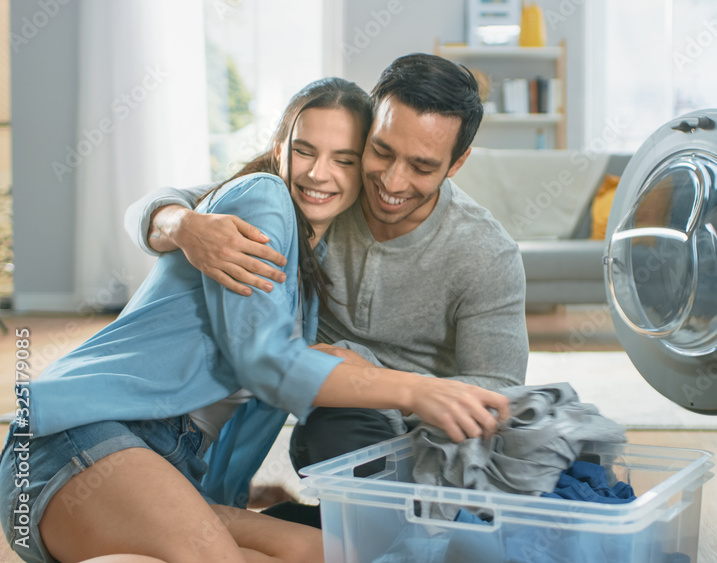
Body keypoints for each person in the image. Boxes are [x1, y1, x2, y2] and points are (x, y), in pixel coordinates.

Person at [0, 77, 509, 563]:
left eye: (344, 159)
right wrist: (415, 390)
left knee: (322, 554)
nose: (318, 173)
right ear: (279, 145)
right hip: (81, 437)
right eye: (305, 150)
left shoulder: (314, 255)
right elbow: (267, 362)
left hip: (166, 463)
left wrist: (227, 494)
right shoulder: (264, 198)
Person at [127, 54, 531, 521]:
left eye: (422, 166)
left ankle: (319, 527)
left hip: (428, 433)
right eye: (381, 152)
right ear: (368, 131)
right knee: (336, 441)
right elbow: (157, 205)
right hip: (342, 418)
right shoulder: (325, 194)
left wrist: (385, 379)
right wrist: (182, 226)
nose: (392, 182)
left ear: (457, 162)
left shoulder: (485, 252)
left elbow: (499, 392)